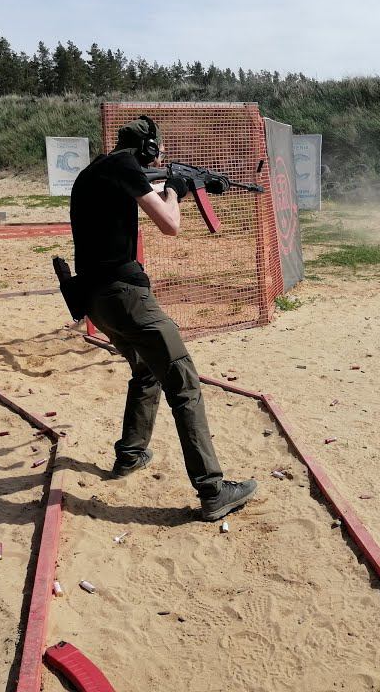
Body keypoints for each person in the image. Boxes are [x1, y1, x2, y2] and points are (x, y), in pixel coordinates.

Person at [68, 115, 258, 521]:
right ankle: (212, 490)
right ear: (148, 149)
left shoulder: (96, 171)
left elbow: (146, 192)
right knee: (184, 382)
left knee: (147, 372)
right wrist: (176, 188)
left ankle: (131, 455)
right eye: (158, 152)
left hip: (98, 301)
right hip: (126, 296)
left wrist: (195, 186)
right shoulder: (123, 167)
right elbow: (169, 223)